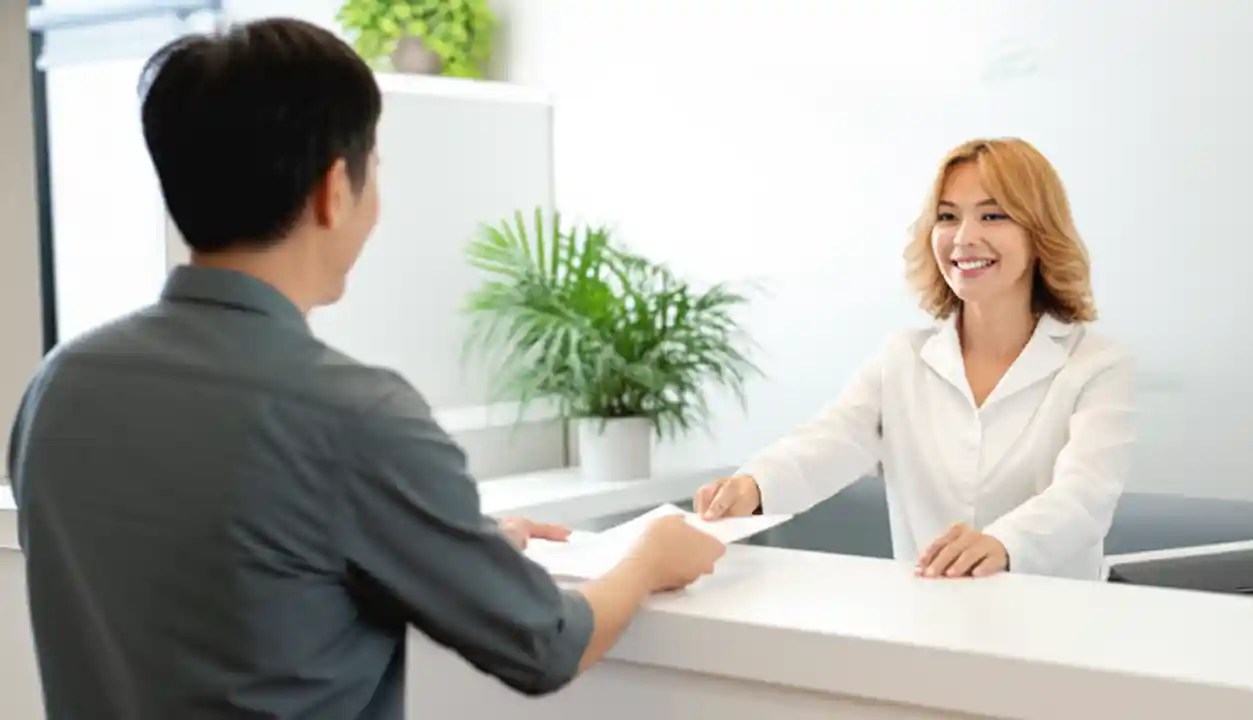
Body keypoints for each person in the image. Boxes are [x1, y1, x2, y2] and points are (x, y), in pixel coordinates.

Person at [7, 18, 724, 720]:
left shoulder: (60, 385)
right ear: (334, 190)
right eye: (373, 168)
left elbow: (237, 570)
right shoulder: (351, 413)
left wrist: (457, 548)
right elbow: (547, 645)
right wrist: (649, 556)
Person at [695, 138, 1134, 582]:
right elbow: (830, 440)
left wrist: (1003, 543)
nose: (964, 238)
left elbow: (1086, 495)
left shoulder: (1097, 364)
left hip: (1057, 622)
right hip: (930, 618)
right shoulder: (902, 358)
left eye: (993, 215)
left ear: (1039, 232)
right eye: (947, 216)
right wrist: (753, 486)